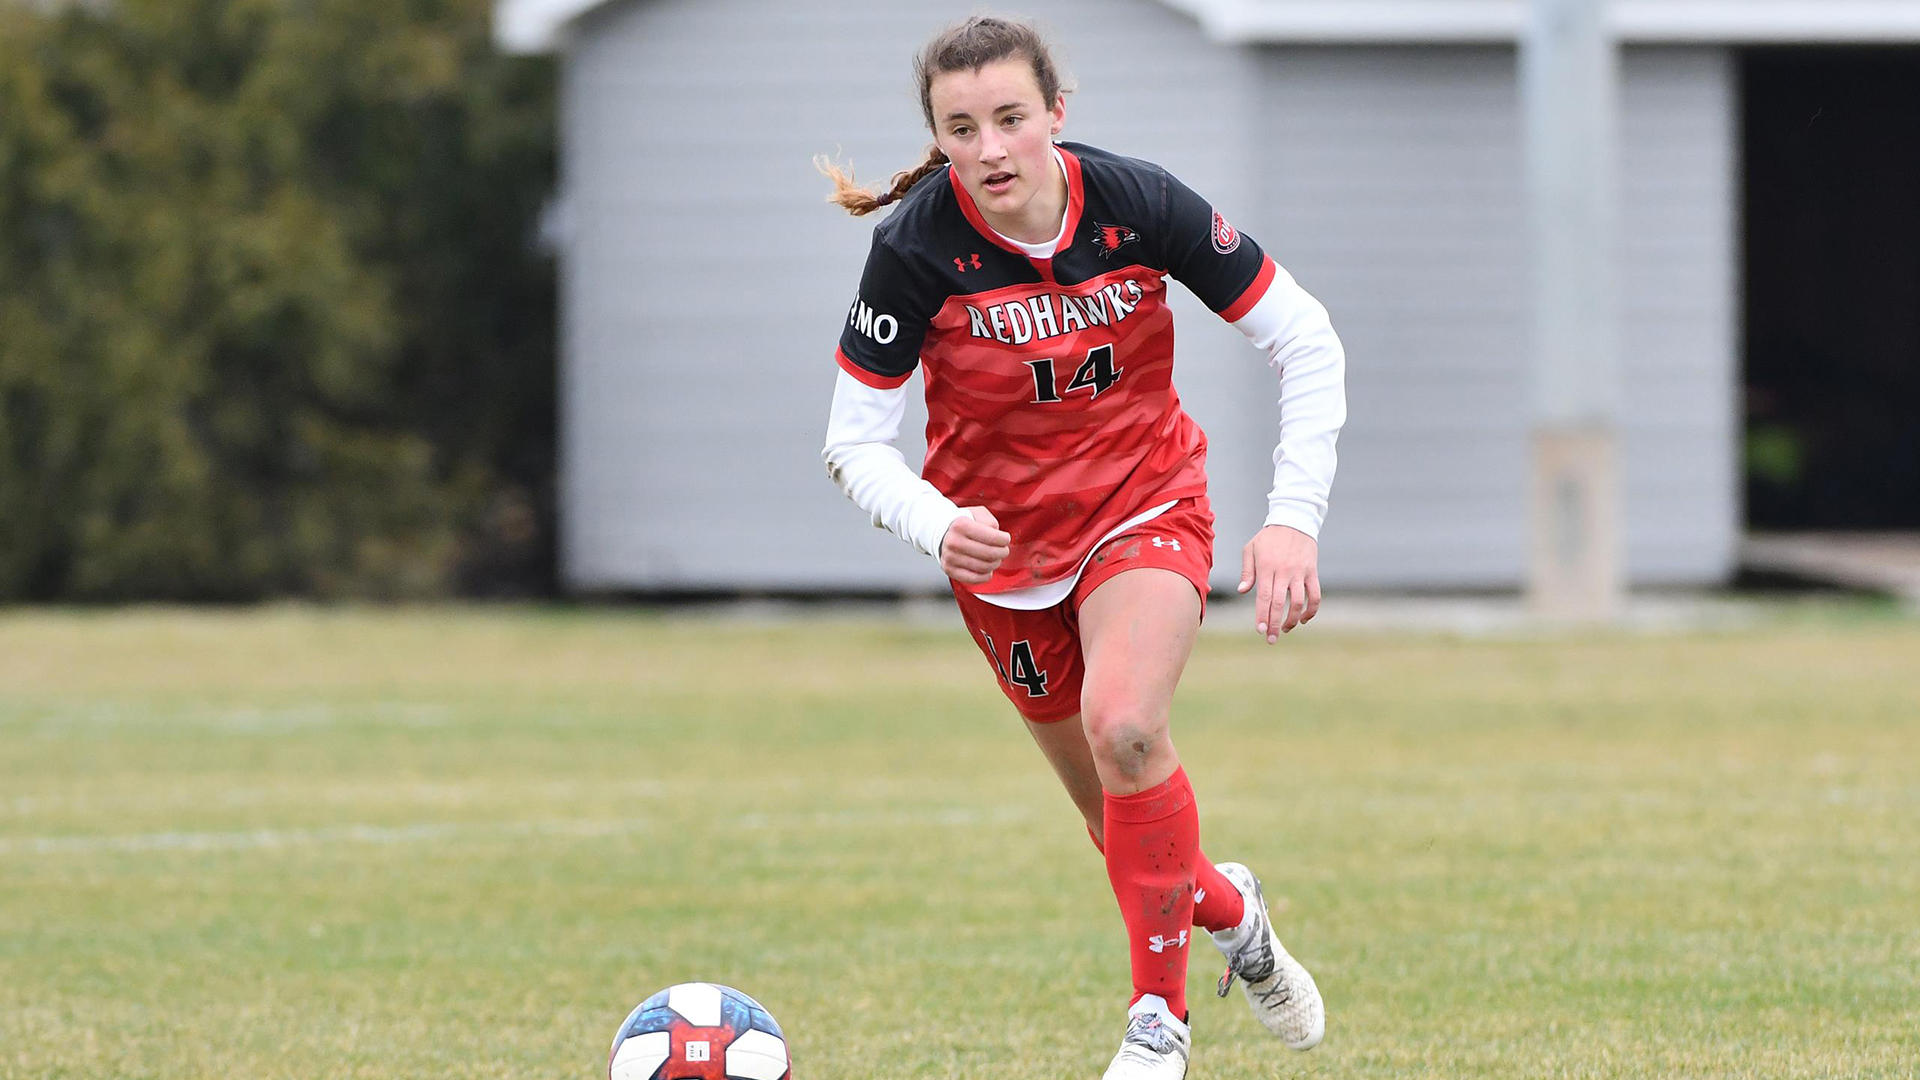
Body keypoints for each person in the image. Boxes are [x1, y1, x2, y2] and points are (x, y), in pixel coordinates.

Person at [817, 15, 1345, 1080]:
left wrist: (1293, 517)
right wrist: (934, 520)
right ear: (938, 136)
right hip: (1002, 564)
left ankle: (1159, 1025)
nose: (992, 149)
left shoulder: (1139, 203)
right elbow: (852, 444)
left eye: (1011, 118)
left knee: (1127, 728)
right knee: (1127, 835)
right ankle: (1234, 912)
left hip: (1142, 508)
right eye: (961, 129)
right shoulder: (916, 247)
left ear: (1057, 113)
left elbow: (1305, 336)